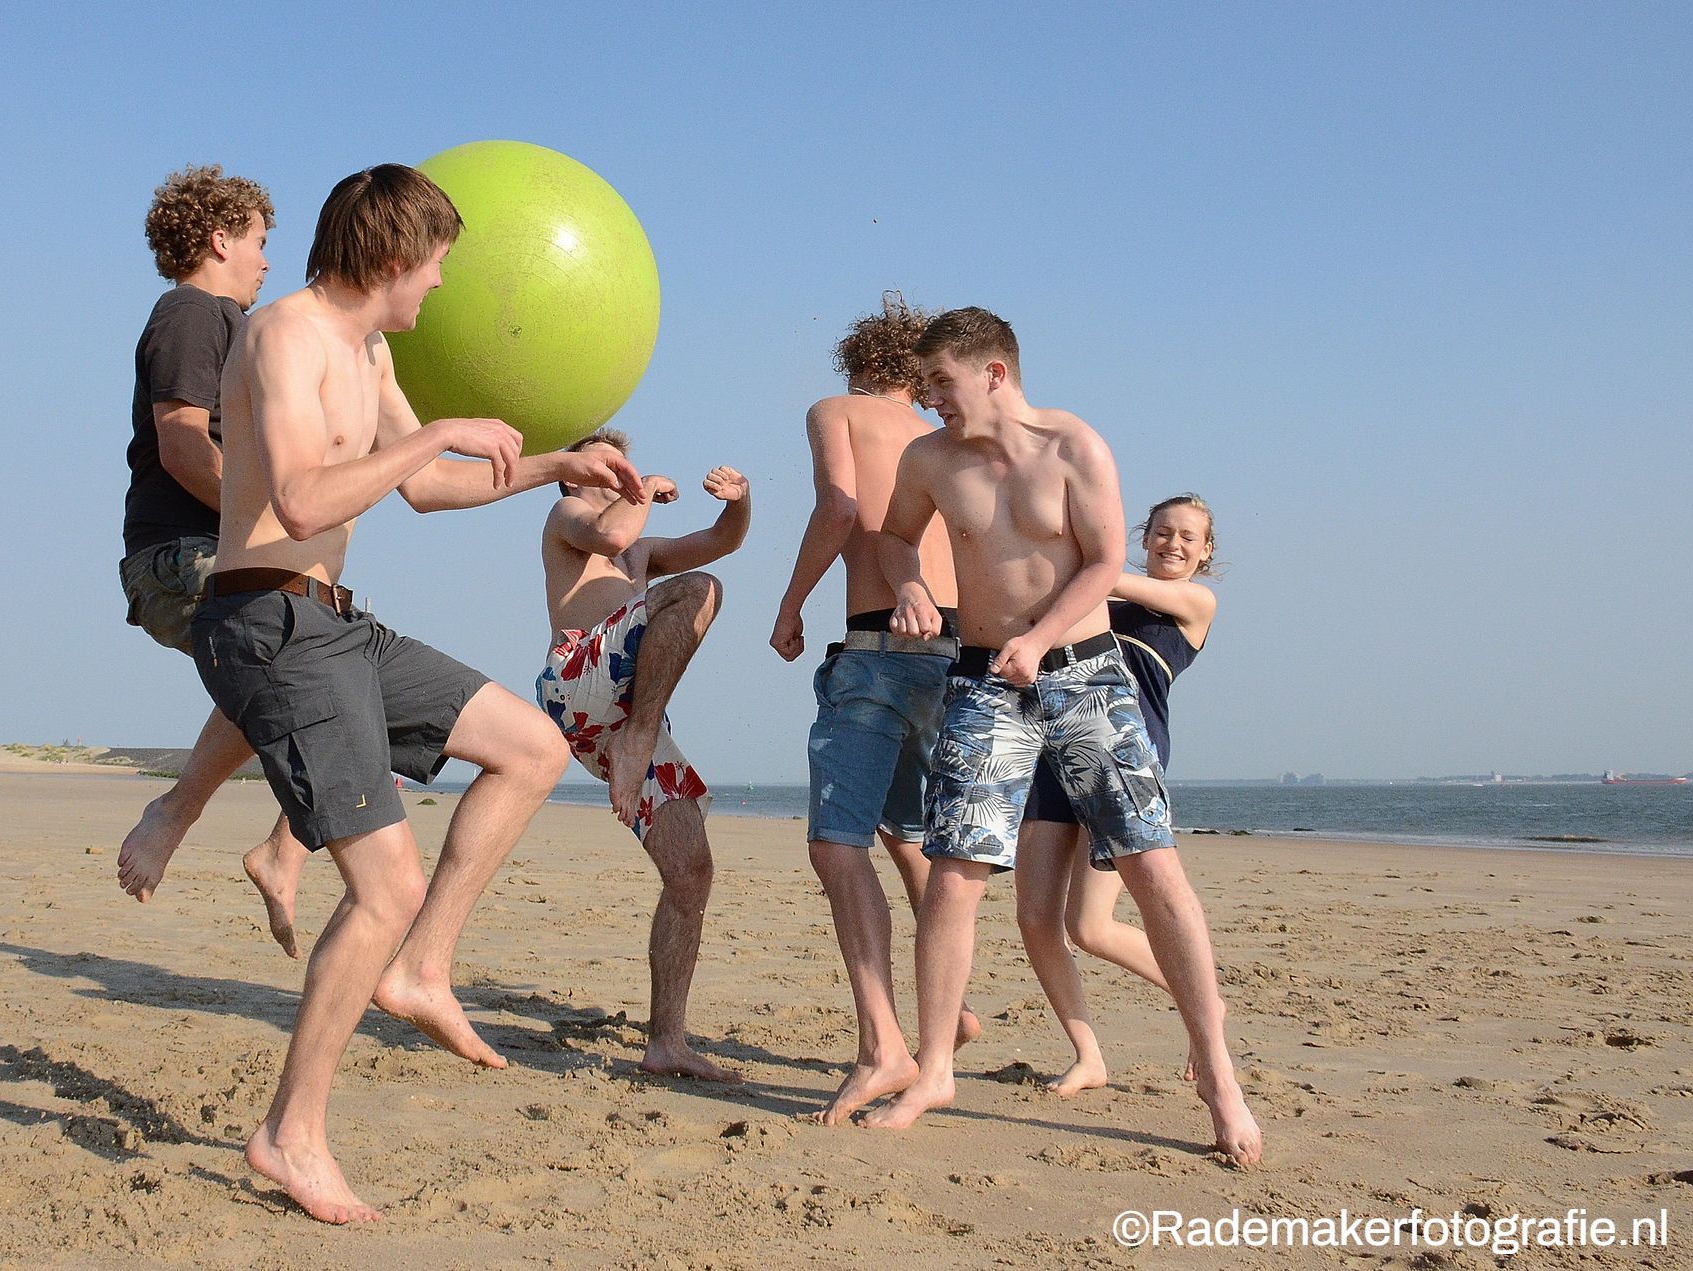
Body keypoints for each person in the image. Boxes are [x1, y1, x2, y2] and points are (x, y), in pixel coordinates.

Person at [184, 163, 644, 1224]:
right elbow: (300, 495)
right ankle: (290, 1132)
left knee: (530, 748)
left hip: (334, 618)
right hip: (267, 621)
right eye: (435, 266)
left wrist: (560, 464)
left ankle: (422, 970)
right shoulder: (287, 336)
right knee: (379, 887)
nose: (439, 288)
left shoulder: (372, 348)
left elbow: (428, 489)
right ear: (394, 258)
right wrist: (434, 430)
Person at [864, 307, 1261, 1166]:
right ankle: (934, 1070)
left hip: (1085, 675)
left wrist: (1041, 639)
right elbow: (894, 537)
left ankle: (1220, 1076)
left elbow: (1103, 556)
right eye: (926, 386)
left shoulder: (1075, 444)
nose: (930, 401)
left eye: (942, 384)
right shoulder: (929, 460)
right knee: (956, 877)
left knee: (1155, 866)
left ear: (994, 373)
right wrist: (908, 586)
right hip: (979, 679)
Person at [769, 294, 983, 1124]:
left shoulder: (839, 410)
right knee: (913, 836)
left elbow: (840, 506)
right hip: (959, 649)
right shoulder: (943, 440)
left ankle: (883, 1049)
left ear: (860, 365)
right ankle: (944, 1022)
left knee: (836, 845)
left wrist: (789, 604)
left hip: (880, 645)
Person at [114, 166, 314, 957]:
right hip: (178, 556)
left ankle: (284, 851)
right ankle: (178, 815)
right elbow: (182, 442)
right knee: (295, 637)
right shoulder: (194, 312)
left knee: (329, 662)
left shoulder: (234, 326)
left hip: (212, 551)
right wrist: (269, 519)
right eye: (261, 242)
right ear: (219, 237)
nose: (268, 261)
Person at [535, 429, 751, 1082]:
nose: (619, 473)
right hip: (579, 676)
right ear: (574, 474)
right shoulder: (568, 514)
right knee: (698, 590)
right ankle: (639, 736)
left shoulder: (642, 549)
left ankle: (666, 1041)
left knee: (691, 868)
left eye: (622, 464)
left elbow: (722, 541)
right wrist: (649, 487)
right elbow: (610, 536)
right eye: (607, 465)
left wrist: (739, 500)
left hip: (626, 708)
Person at [1014, 494, 1222, 1094]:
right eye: (1162, 533)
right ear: (1144, 536)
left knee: (1091, 926)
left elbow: (1109, 582)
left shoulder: (1194, 603)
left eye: (1188, 537)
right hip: (1052, 747)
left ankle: (1203, 1008)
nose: (1173, 544)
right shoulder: (1100, 592)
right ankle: (1089, 1055)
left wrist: (1090, 573)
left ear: (1205, 551)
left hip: (1127, 757)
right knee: (1035, 917)